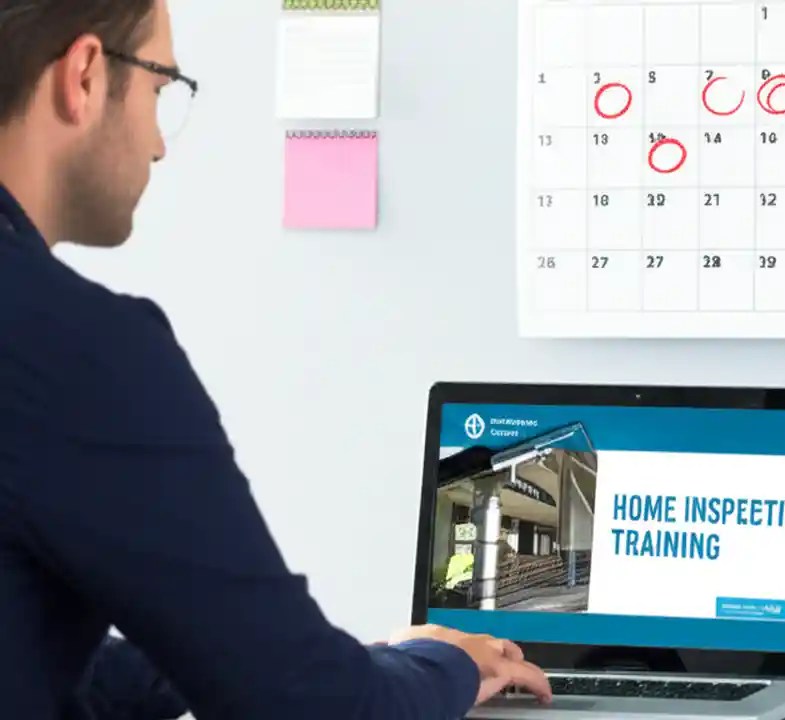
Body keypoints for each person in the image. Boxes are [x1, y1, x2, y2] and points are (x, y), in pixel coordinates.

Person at [0, 1, 552, 718]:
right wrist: (438, 664)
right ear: (83, 76)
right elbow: (315, 708)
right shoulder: (76, 350)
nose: (160, 145)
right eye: (161, 87)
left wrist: (265, 652)